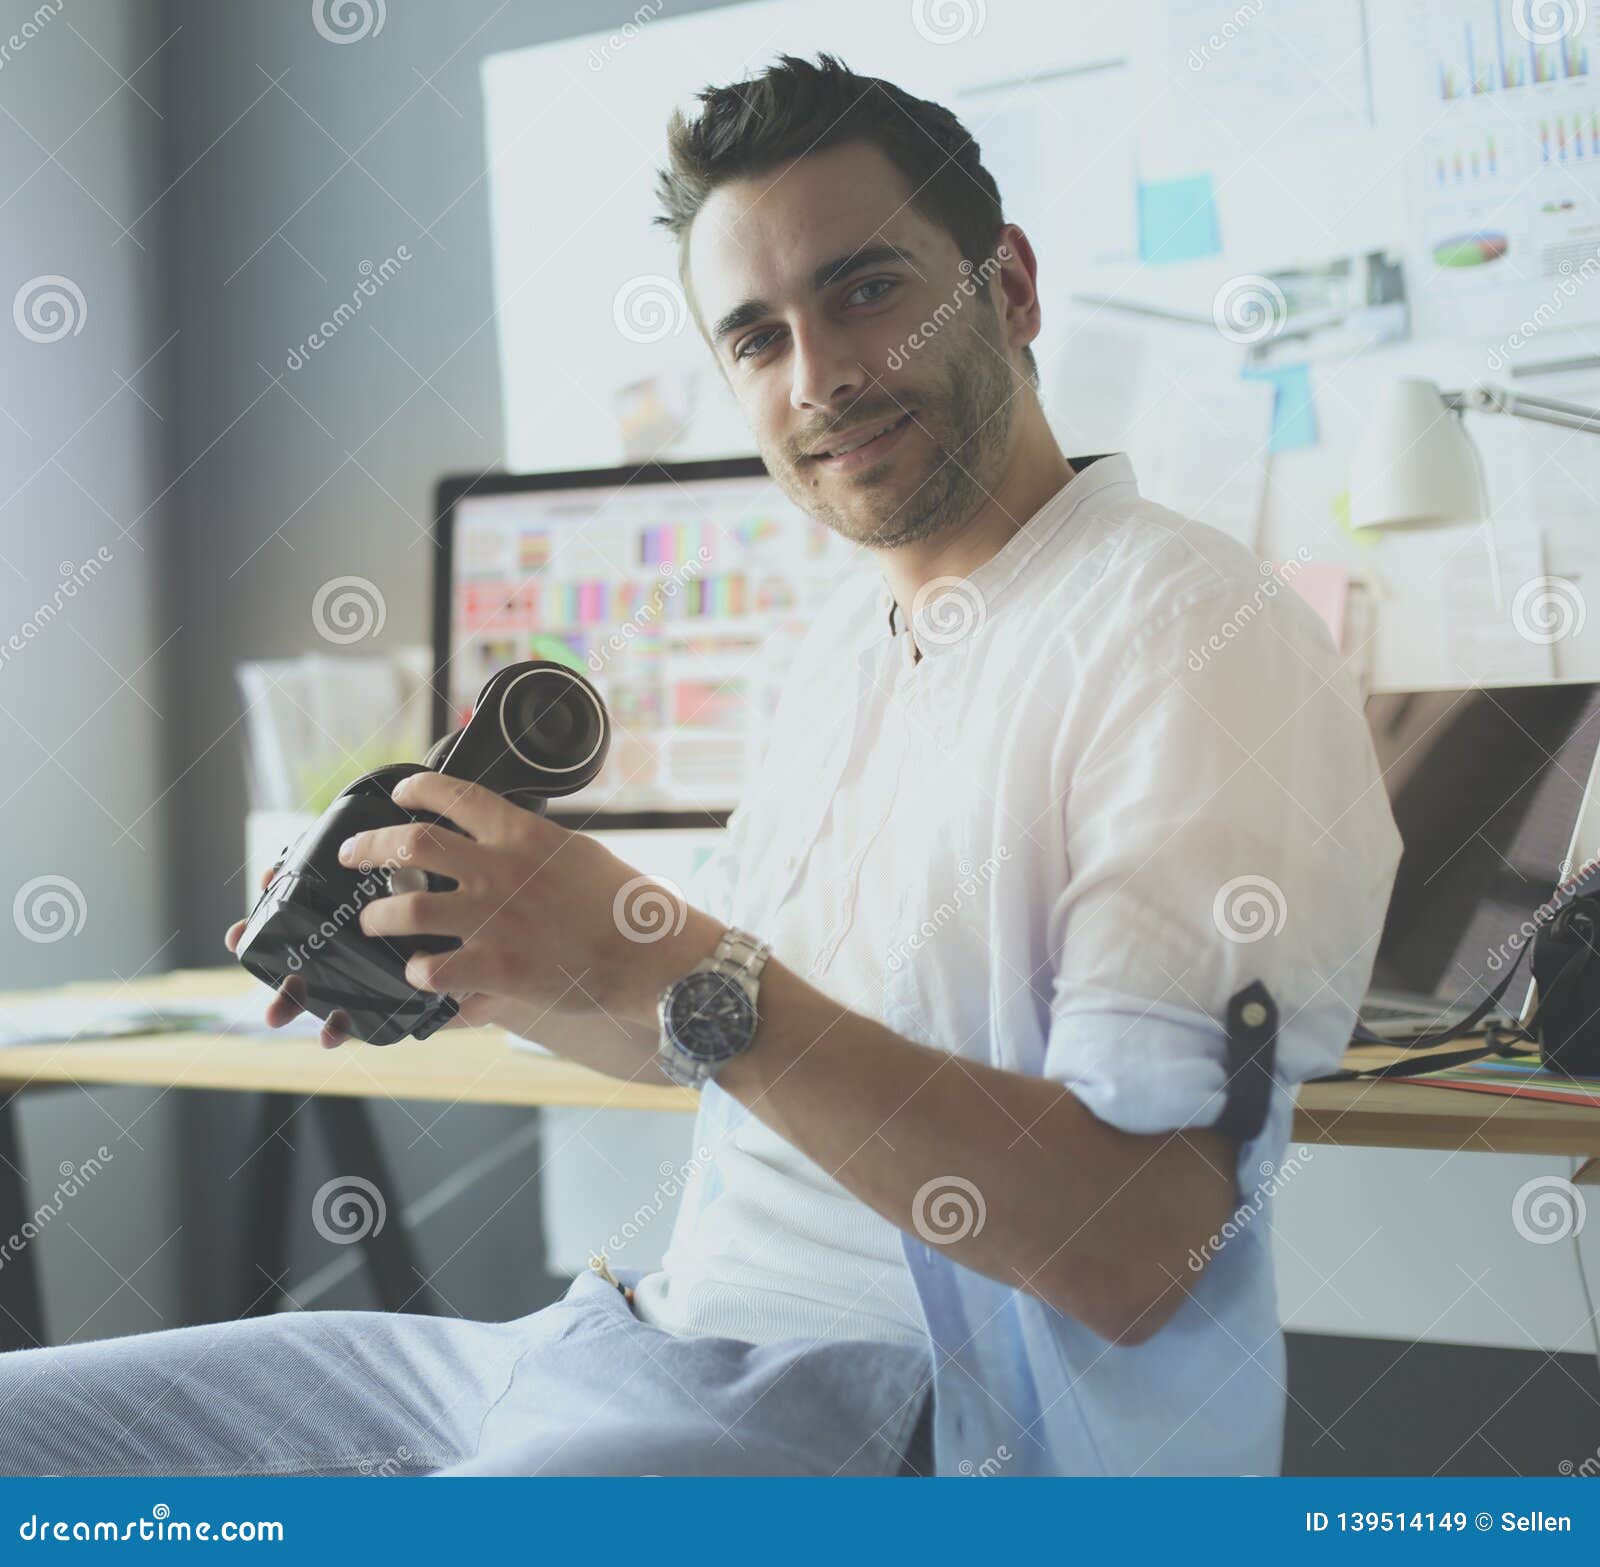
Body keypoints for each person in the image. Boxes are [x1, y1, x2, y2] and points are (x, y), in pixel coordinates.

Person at [0, 53, 1399, 1478]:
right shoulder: (839, 654)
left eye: (867, 290)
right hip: (621, 1336)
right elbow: (713, 1046)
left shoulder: (1192, 638)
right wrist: (496, 966)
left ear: (1013, 290)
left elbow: (1141, 1249)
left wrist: (659, 962)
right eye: (756, 335)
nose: (823, 376)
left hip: (902, 1413)